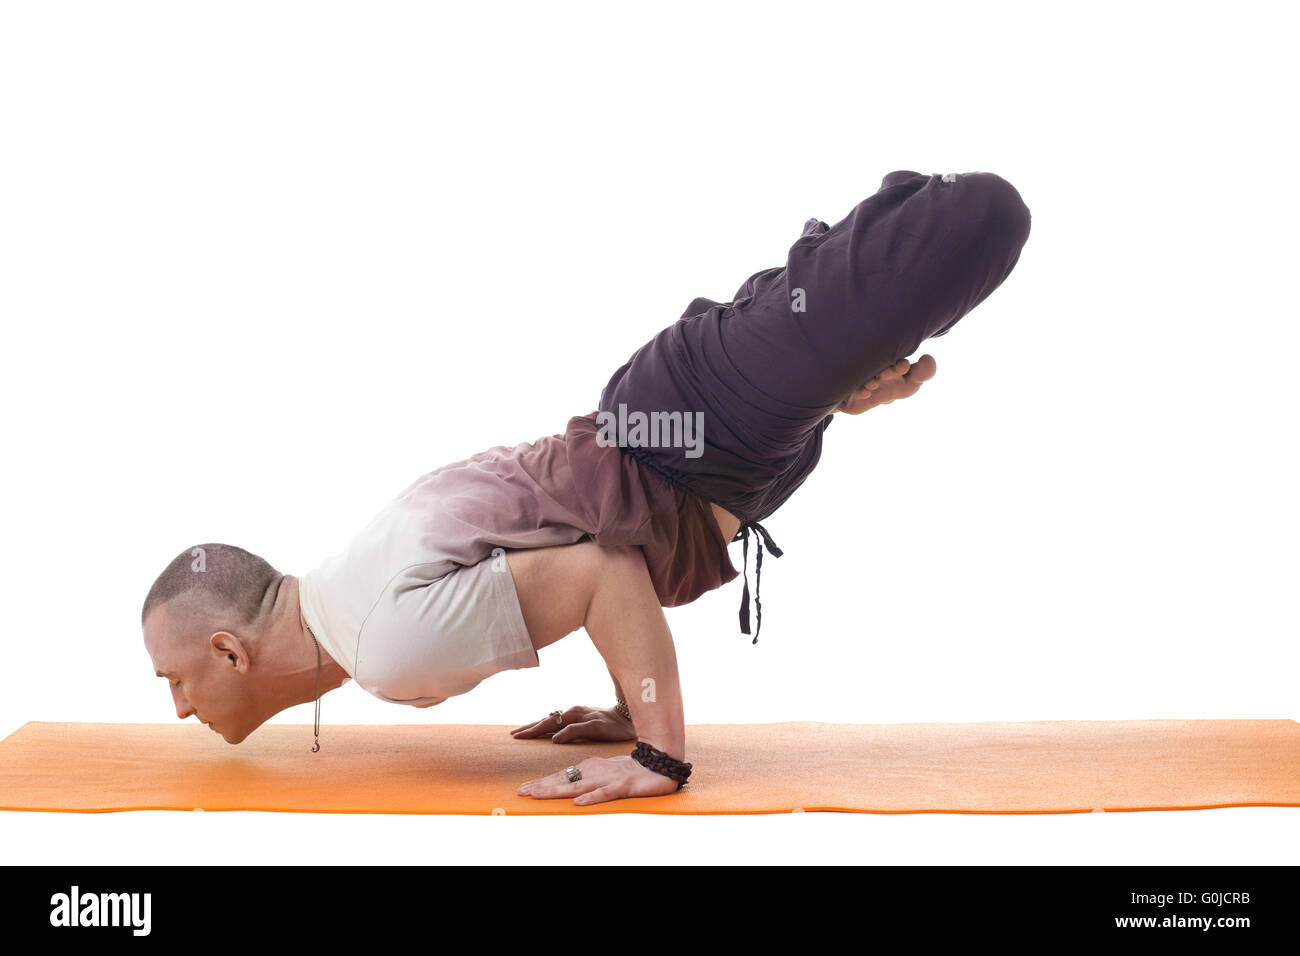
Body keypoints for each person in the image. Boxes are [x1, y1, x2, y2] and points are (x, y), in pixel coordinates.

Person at [142, 169, 1032, 806]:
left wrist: (660, 750)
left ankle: (854, 262)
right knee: (882, 281)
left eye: (173, 680)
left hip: (693, 428)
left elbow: (606, 574)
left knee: (983, 215)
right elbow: (571, 554)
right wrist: (623, 703)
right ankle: (833, 301)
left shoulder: (385, 647)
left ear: (228, 650)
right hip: (695, 436)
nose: (178, 706)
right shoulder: (348, 592)